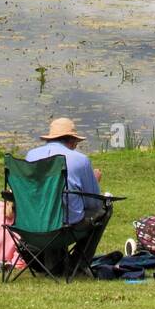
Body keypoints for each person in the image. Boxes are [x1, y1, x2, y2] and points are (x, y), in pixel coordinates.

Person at [25, 117, 111, 274]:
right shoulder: (80, 160)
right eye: (76, 143)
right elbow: (94, 204)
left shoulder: (31, 156)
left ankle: (53, 263)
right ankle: (77, 262)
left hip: (30, 225)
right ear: (71, 141)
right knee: (105, 208)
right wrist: (95, 182)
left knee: (53, 209)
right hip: (64, 227)